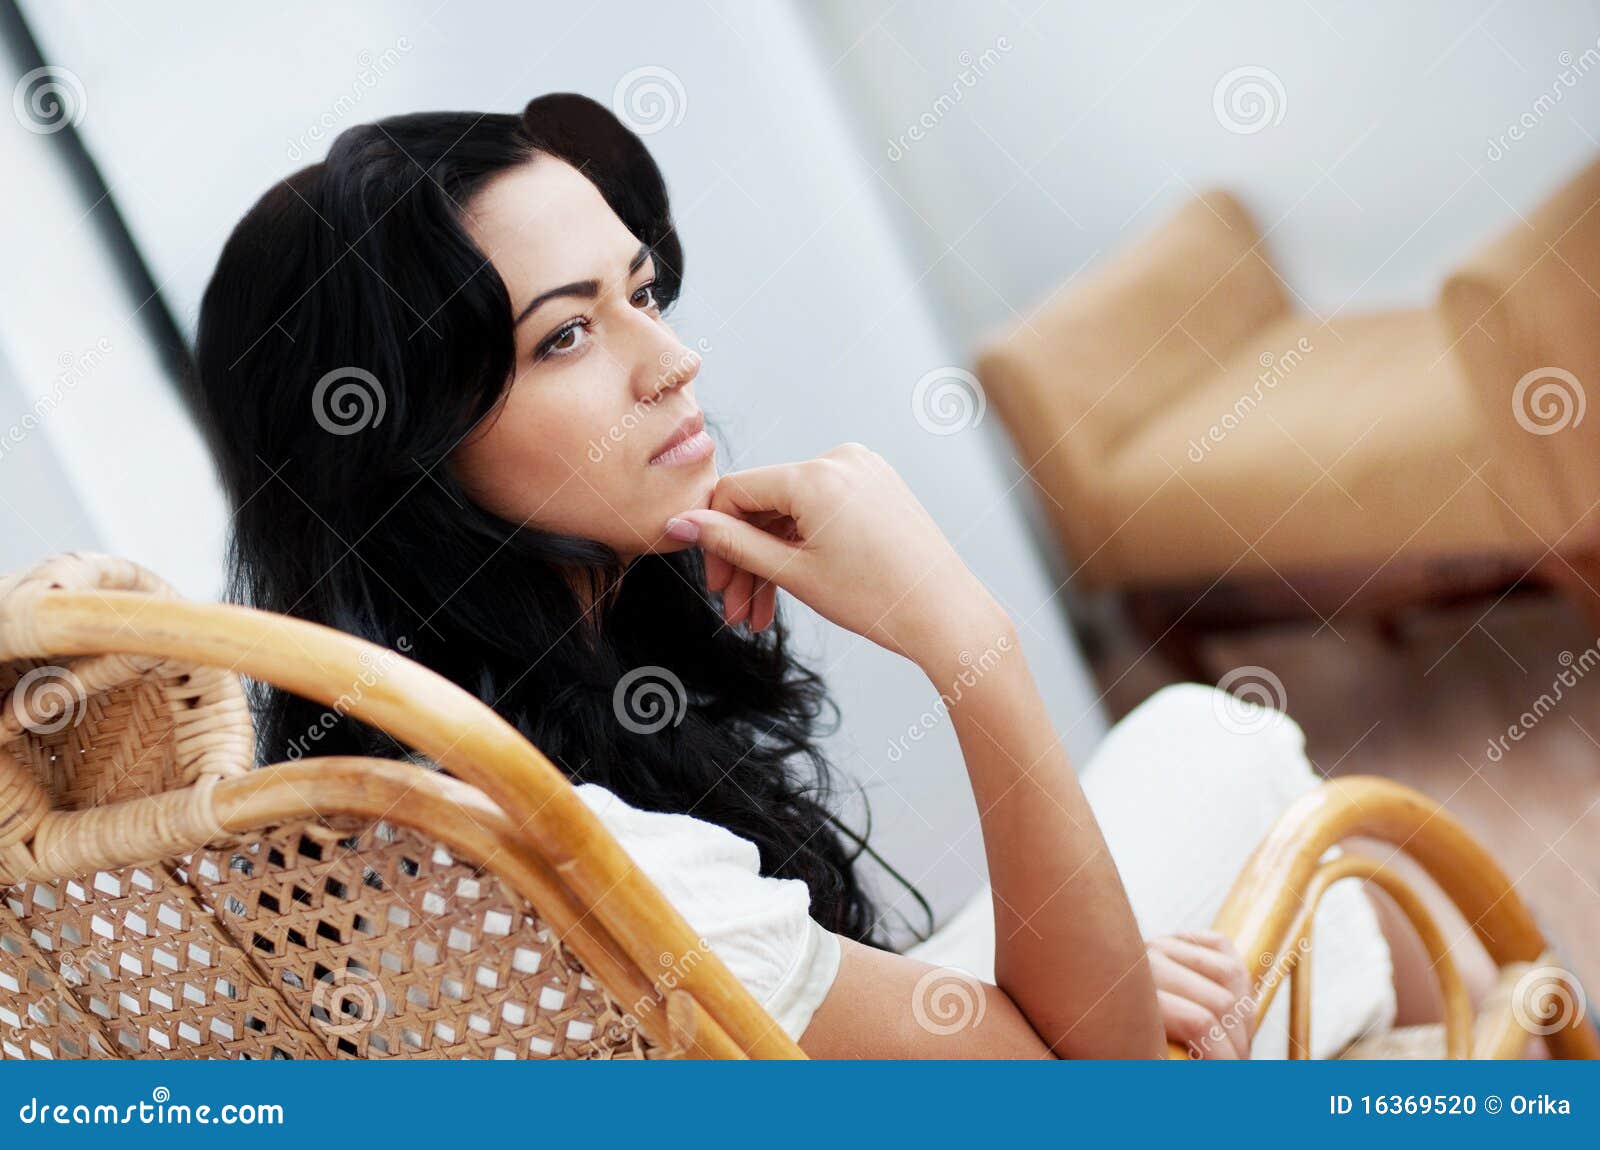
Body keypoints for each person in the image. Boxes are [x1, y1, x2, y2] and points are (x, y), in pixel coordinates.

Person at [191, 93, 1456, 1058]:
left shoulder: (384, 797)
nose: (672, 359)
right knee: (1226, 761)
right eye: (566, 334)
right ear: (398, 450)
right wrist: (967, 637)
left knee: (1208, 768)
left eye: (643, 291)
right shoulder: (554, 857)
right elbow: (1093, 1094)